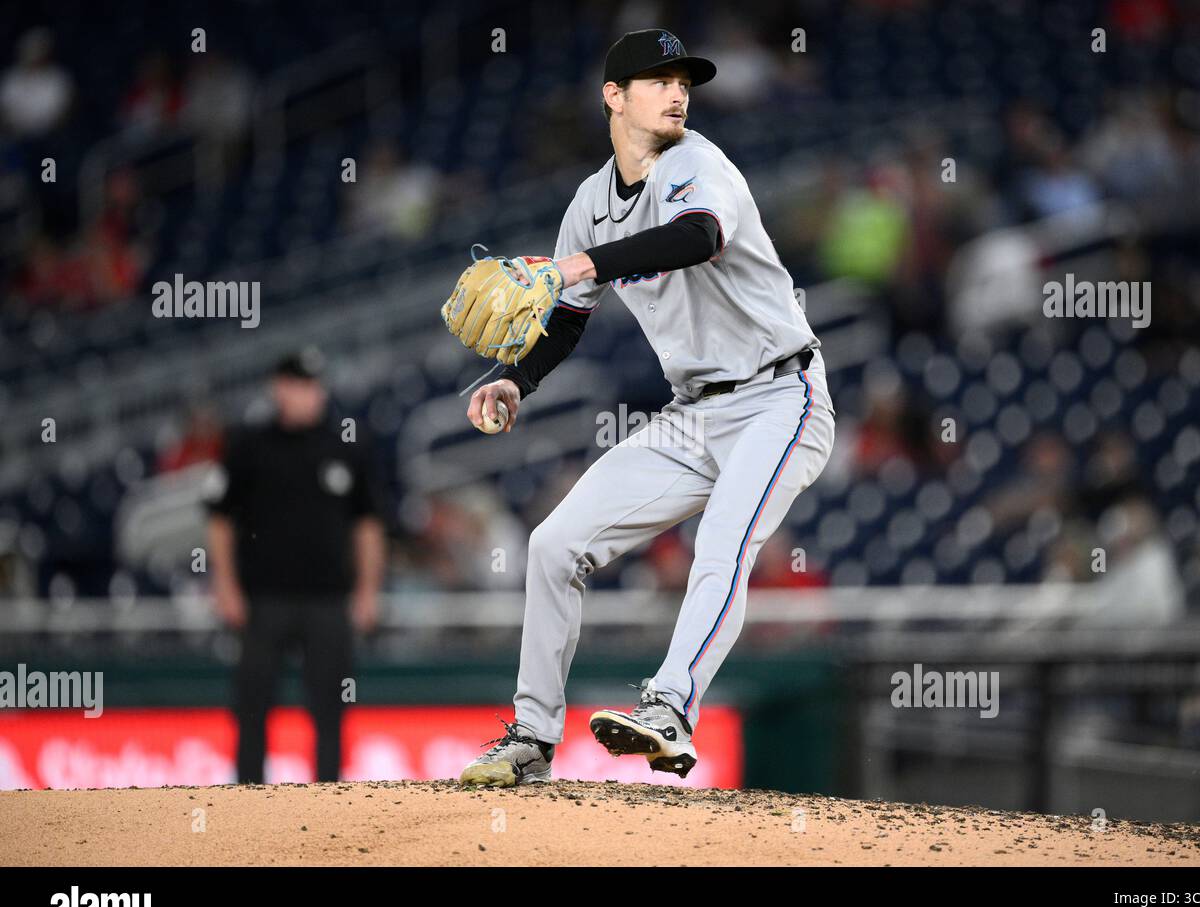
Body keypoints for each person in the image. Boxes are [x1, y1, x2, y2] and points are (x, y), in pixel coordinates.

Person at [458, 30, 836, 786]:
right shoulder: (589, 204)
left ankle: (669, 707)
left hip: (779, 396)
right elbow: (567, 317)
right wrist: (514, 381)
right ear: (613, 97)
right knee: (553, 544)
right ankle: (531, 739)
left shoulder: (699, 162)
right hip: (692, 414)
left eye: (683, 81)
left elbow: (695, 238)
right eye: (657, 79)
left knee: (723, 542)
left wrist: (581, 263)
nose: (676, 93)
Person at [206, 349, 385, 784]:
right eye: (301, 385)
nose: (311, 395)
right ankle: (247, 797)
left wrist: (366, 593)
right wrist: (225, 587)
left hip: (328, 600)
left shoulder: (346, 444)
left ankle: (328, 803)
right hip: (263, 599)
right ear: (279, 388)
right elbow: (219, 520)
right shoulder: (249, 445)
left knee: (330, 709)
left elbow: (368, 525)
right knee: (252, 705)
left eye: (316, 386)